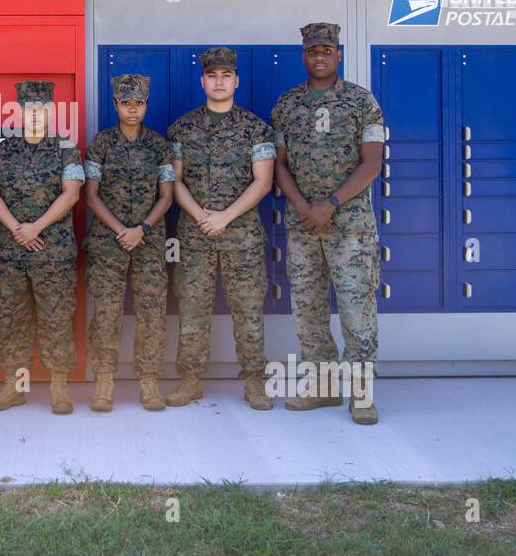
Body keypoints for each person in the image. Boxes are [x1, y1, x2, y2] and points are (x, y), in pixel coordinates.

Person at [271, 22, 385, 424]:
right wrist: (304, 205)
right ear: (304, 55)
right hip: (303, 224)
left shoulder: (360, 101)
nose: (319, 55)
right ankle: (321, 389)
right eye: (312, 50)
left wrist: (331, 203)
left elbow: (373, 161)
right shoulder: (287, 104)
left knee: (357, 309)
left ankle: (361, 393)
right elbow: (278, 165)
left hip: (350, 224)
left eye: (327, 49)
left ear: (338, 54)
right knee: (308, 309)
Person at [165, 46, 275, 410]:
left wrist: (224, 217)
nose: (219, 82)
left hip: (241, 237)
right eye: (212, 76)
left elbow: (262, 182)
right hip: (195, 237)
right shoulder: (181, 128)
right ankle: (190, 380)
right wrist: (200, 215)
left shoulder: (256, 128)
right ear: (202, 81)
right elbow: (174, 182)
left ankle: (255, 382)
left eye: (226, 76)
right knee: (193, 309)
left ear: (236, 81)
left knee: (248, 310)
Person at [0, 80, 85, 414]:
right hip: (12, 255)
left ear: (52, 111)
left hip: (53, 254)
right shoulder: (2, 152)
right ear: (19, 111)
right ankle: (17, 386)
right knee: (13, 321)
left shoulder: (67, 149)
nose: (36, 115)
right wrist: (16, 229)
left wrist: (35, 228)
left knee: (56, 319)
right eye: (29, 108)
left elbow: (71, 193)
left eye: (42, 108)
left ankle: (58, 388)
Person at [82, 74, 175, 411]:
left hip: (148, 244)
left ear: (146, 105)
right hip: (109, 243)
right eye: (126, 103)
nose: (132, 109)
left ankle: (149, 382)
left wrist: (142, 229)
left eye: (138, 103)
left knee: (152, 313)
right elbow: (90, 195)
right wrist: (122, 229)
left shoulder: (158, 145)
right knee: (106, 313)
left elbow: (166, 196)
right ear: (115, 105)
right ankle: (104, 381)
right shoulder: (101, 143)